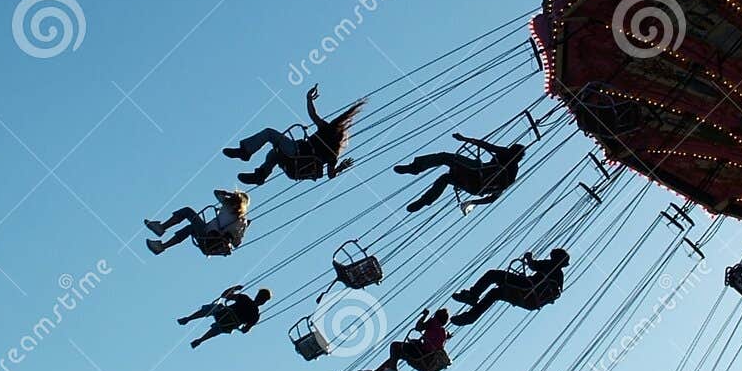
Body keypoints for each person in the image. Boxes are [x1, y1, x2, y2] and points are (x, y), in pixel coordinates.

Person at [223, 85, 365, 186]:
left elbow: (312, 115)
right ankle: (260, 175)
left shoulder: (326, 129)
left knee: (269, 133)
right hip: (295, 168)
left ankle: (245, 151)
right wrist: (341, 167)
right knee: (274, 154)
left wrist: (308, 99)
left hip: (297, 153)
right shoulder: (333, 155)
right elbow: (331, 174)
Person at [394, 134, 527, 213]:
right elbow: (493, 198)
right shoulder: (513, 175)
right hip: (475, 188)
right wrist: (473, 201)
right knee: (446, 178)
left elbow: (486, 145)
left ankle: (415, 167)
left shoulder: (505, 153)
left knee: (445, 157)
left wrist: (465, 139)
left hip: (475, 172)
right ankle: (424, 201)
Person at [449, 249, 569, 326]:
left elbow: (533, 265)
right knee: (495, 293)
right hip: (530, 302)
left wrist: (528, 257)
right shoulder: (560, 277)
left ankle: (473, 295)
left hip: (526, 287)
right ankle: (470, 317)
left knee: (493, 274)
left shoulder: (552, 265)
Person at [145, 189, 249, 256]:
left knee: (188, 211)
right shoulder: (242, 222)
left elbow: (217, 193)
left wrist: (230, 194)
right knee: (190, 228)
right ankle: (162, 247)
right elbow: (237, 243)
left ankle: (162, 227)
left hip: (207, 235)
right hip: (211, 244)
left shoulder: (227, 206)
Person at [180, 285, 271, 349]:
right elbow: (245, 330)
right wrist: (243, 327)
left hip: (222, 314)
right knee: (219, 328)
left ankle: (188, 319)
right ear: (264, 302)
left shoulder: (245, 299)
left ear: (257, 296)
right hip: (228, 324)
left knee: (214, 308)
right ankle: (200, 340)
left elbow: (225, 295)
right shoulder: (255, 315)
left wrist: (234, 288)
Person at [372, 309, 451, 371]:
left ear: (436, 316)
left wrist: (425, 315)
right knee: (396, 355)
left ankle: (392, 370)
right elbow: (432, 345)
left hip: (422, 355)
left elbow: (418, 327)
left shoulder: (433, 322)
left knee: (395, 346)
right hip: (428, 359)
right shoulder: (443, 332)